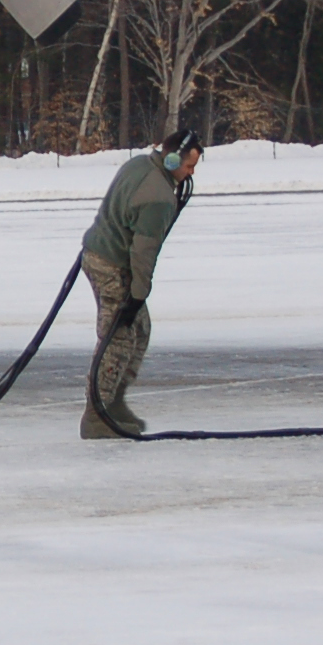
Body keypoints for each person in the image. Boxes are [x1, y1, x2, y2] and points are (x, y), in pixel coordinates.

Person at [80, 129, 201, 438]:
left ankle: (114, 402)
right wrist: (136, 297)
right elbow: (144, 253)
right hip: (111, 265)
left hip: (99, 254)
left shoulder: (139, 164)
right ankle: (96, 416)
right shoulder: (159, 197)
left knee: (140, 330)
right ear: (172, 159)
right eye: (189, 166)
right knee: (117, 339)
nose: (191, 173)